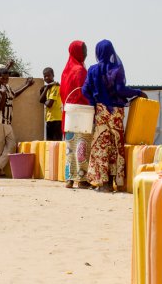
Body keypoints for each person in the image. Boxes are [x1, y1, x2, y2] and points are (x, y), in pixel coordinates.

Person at [82, 40, 146, 192]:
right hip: (116, 112)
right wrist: (138, 92)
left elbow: (85, 90)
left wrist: (95, 102)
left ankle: (104, 184)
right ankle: (115, 181)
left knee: (101, 146)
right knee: (115, 147)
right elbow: (121, 90)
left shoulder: (92, 70)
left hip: (101, 112)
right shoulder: (116, 68)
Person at [0, 65, 35, 176]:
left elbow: (15, 94)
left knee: (11, 145)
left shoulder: (8, 88)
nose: (5, 80)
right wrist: (4, 96)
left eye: (7, 78)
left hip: (7, 122)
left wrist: (26, 85)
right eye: (3, 78)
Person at [61, 40, 92, 188]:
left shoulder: (66, 71)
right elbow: (84, 92)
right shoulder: (80, 70)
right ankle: (81, 178)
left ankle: (69, 179)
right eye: (84, 50)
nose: (86, 54)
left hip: (69, 114)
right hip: (82, 113)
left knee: (70, 147)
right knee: (82, 146)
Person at [39, 67, 63, 141]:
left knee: (56, 143)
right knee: (49, 144)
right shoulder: (48, 88)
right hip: (49, 119)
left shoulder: (55, 87)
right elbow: (41, 99)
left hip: (57, 119)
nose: (46, 78)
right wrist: (46, 88)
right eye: (45, 76)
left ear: (53, 75)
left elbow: (49, 104)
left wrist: (44, 100)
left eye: (48, 75)